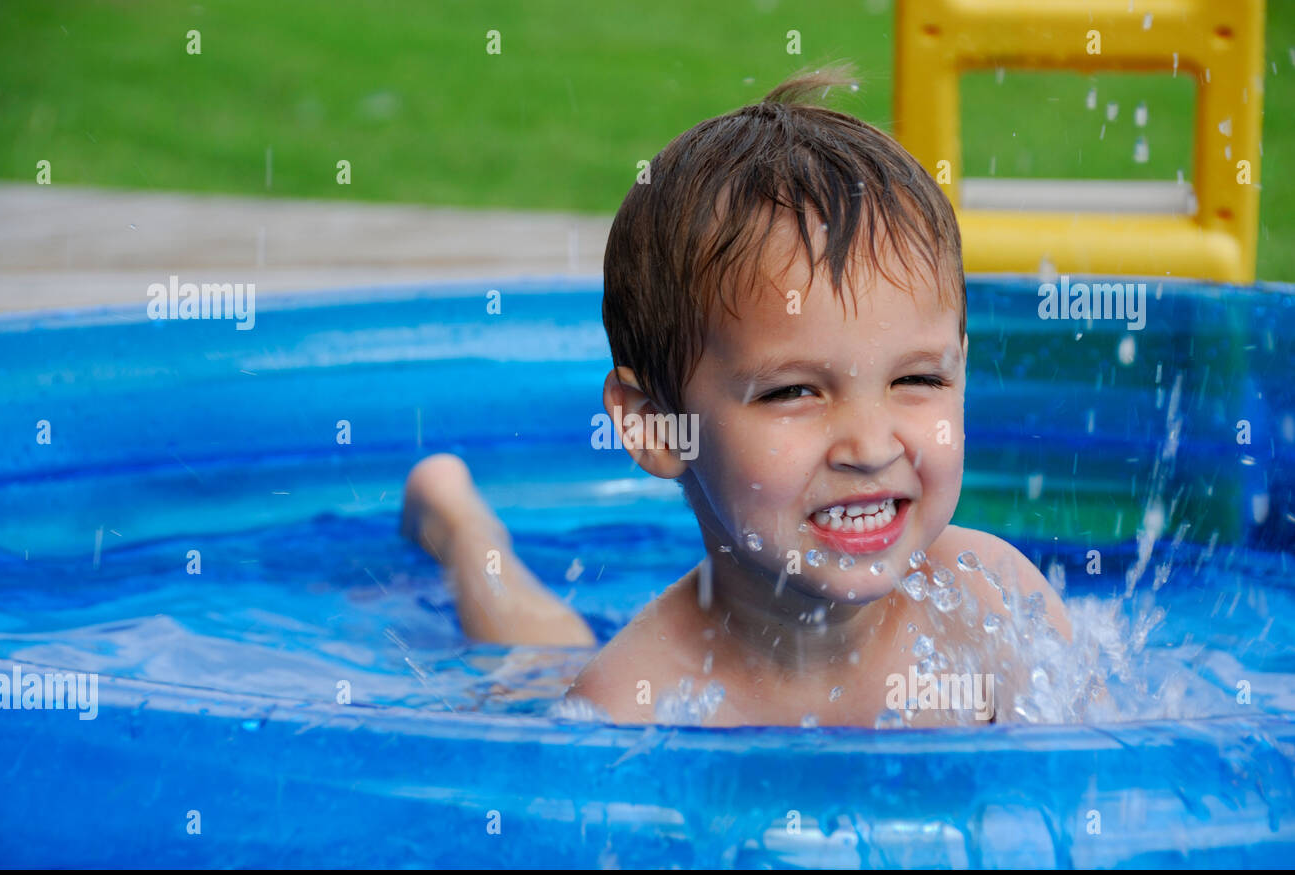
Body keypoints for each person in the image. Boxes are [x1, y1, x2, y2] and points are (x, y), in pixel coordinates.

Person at [400, 64, 1071, 727]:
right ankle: (462, 528)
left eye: (917, 380)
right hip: (565, 679)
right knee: (531, 660)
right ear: (656, 427)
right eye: (794, 391)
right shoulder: (633, 708)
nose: (870, 446)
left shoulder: (993, 604)